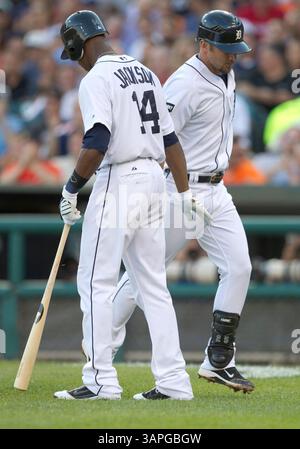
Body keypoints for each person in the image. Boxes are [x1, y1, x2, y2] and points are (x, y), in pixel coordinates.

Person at [54, 10, 208, 401]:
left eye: (73, 50)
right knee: (153, 286)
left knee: (95, 281)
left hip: (120, 180)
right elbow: (171, 142)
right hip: (155, 180)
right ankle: (174, 382)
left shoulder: (96, 79)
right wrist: (185, 191)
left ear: (80, 43)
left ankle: (100, 380)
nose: (74, 58)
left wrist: (72, 187)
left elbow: (98, 139)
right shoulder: (143, 71)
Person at [112, 10, 255, 393]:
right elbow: (159, 136)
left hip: (217, 189)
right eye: (226, 49)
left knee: (239, 267)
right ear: (204, 45)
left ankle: (219, 360)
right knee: (147, 272)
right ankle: (101, 338)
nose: (232, 56)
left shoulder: (227, 72)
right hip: (182, 188)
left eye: (235, 49)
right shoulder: (185, 84)